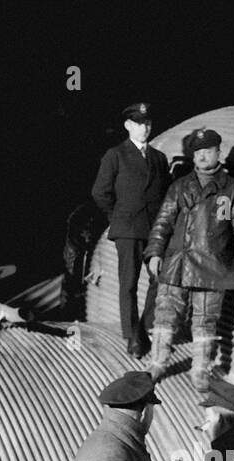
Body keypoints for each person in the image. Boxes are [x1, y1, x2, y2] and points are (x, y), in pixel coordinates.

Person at [144, 128, 234, 388]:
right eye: (197, 152)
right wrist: (155, 252)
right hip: (178, 262)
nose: (201, 157)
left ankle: (200, 371)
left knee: (205, 320)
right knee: (165, 314)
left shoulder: (232, 189)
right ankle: (157, 363)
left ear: (218, 153)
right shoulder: (179, 186)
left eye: (207, 151)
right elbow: (163, 222)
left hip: (213, 264)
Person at [91, 102, 171, 357]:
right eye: (138, 123)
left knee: (159, 278)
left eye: (147, 123)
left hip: (153, 230)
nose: (144, 128)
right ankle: (132, 336)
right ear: (127, 126)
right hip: (128, 228)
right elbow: (100, 192)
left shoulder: (159, 158)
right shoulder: (115, 155)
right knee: (129, 283)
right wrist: (117, 216)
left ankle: (146, 325)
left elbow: (165, 193)